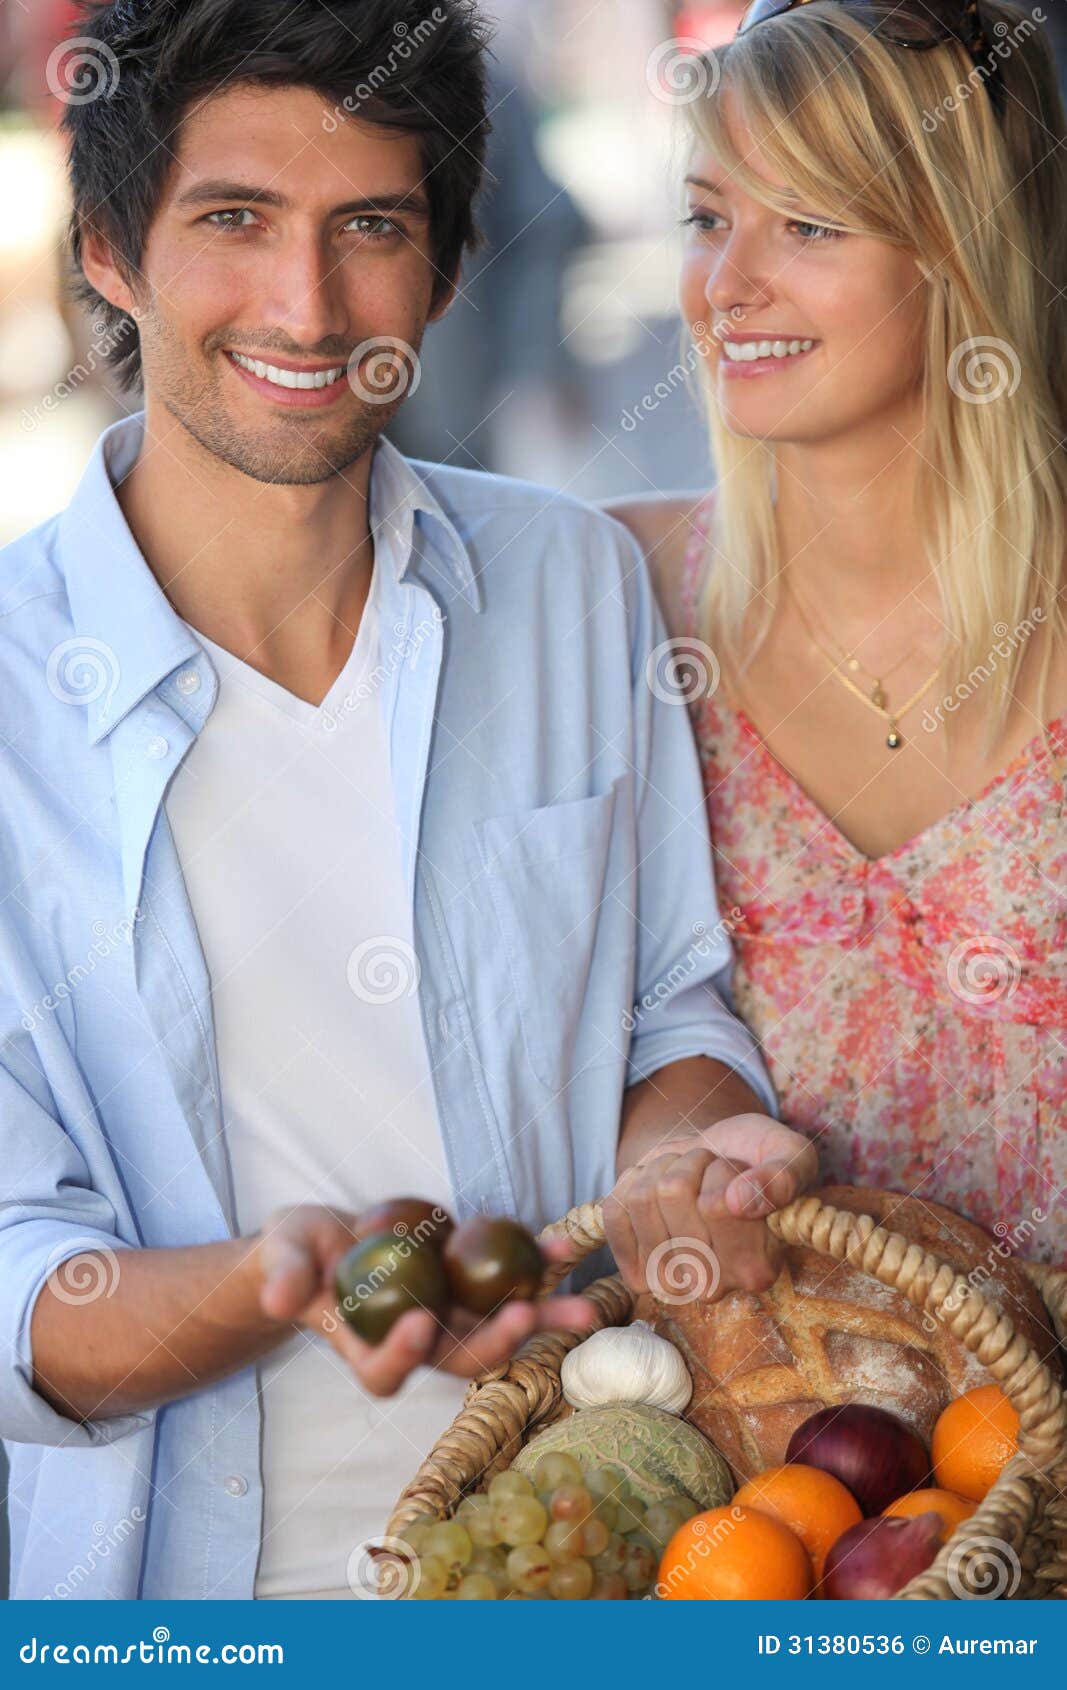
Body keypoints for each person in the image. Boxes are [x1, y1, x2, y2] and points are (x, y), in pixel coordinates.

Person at [0, 0, 816, 1601]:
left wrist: (675, 1158)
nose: (305, 307)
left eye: (368, 227)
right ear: (109, 250)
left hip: (590, 1555)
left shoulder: (568, 583)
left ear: (441, 267)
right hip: (183, 1603)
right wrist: (267, 1285)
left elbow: (668, 1006)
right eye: (232, 220)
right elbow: (22, 1295)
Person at [609, 0, 1067, 1266]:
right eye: (708, 219)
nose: (728, 285)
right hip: (773, 1442)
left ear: (958, 250)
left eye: (807, 222)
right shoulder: (623, 590)